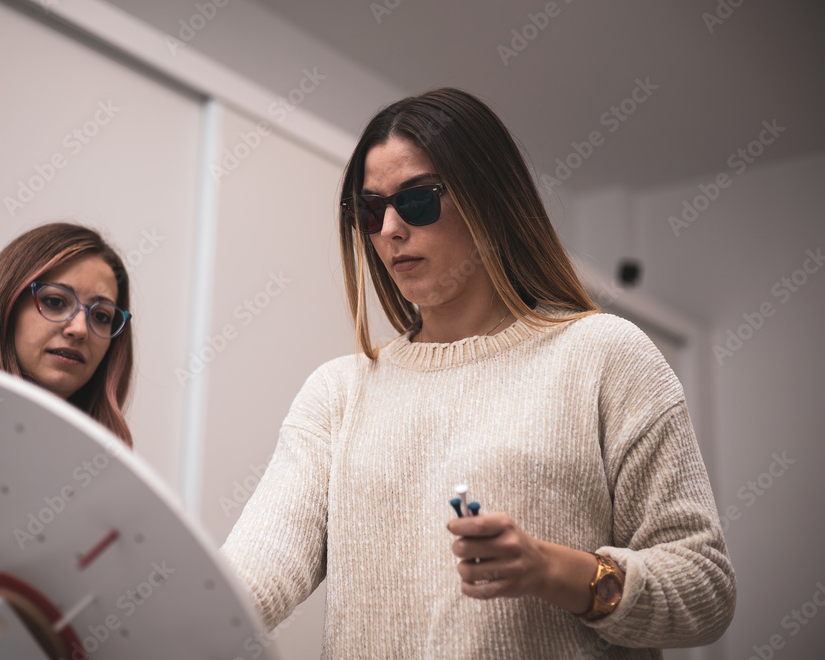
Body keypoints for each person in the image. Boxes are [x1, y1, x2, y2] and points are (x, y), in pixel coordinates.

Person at [221, 88, 735, 657]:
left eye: (417, 200)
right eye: (368, 210)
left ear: (487, 199)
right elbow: (255, 574)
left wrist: (553, 570)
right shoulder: (337, 393)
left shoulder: (605, 356)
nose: (389, 228)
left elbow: (706, 590)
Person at [0, 223, 134, 446]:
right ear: (6, 308)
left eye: (101, 317)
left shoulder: (104, 470)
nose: (80, 329)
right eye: (55, 301)